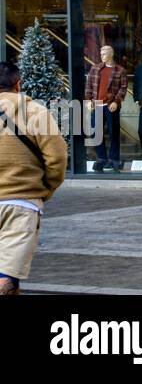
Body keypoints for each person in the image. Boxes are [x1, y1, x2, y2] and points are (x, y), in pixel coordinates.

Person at [0, 61, 67, 295]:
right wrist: (43, 190)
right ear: (18, 84)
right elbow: (57, 159)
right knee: (7, 280)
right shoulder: (36, 112)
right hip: (22, 202)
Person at [85, 44, 127, 172]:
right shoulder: (95, 68)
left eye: (104, 53)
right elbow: (89, 86)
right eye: (101, 53)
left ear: (111, 54)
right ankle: (102, 158)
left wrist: (116, 101)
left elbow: (123, 88)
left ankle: (114, 160)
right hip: (97, 105)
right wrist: (88, 101)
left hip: (111, 105)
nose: (101, 56)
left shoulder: (120, 70)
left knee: (114, 133)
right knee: (95, 133)